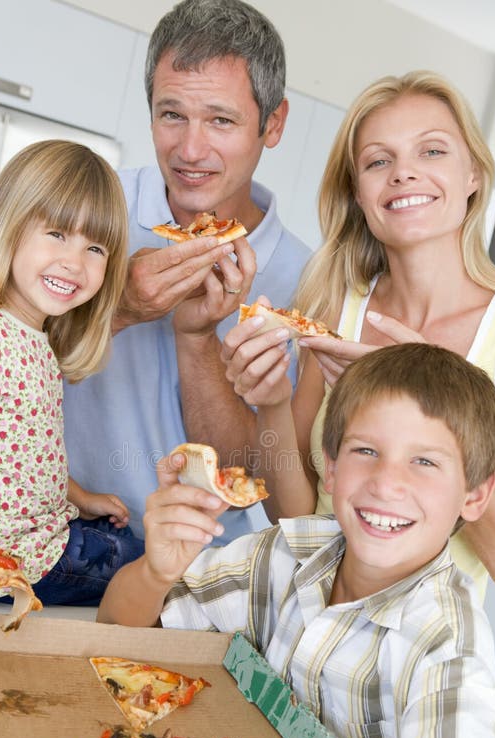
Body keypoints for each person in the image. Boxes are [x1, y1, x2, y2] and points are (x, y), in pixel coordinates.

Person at [47, 343, 495, 738]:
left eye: (425, 461)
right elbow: (123, 638)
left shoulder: (444, 640)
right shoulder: (286, 552)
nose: (387, 483)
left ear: (476, 495)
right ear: (331, 463)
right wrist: (154, 570)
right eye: (366, 450)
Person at [221, 70, 495, 596]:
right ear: (357, 192)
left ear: (473, 173)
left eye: (431, 152)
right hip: (295, 623)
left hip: (414, 658)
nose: (404, 174)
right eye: (379, 161)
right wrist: (270, 404)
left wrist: (435, 390)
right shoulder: (335, 305)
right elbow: (290, 519)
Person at [62, 0, 312, 545]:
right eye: (172, 114)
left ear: (273, 124)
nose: (190, 150)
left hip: (201, 579)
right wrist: (118, 310)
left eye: (221, 120)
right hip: (55, 542)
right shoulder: (87, 206)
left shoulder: (308, 281)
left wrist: (197, 339)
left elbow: (259, 475)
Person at [0, 140, 144, 606]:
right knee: (151, 565)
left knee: (130, 542)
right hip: (4, 561)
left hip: (36, 536)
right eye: (57, 234)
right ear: (8, 226)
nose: (74, 262)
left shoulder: (33, 337)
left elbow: (23, 454)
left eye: (96, 247)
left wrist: (80, 498)